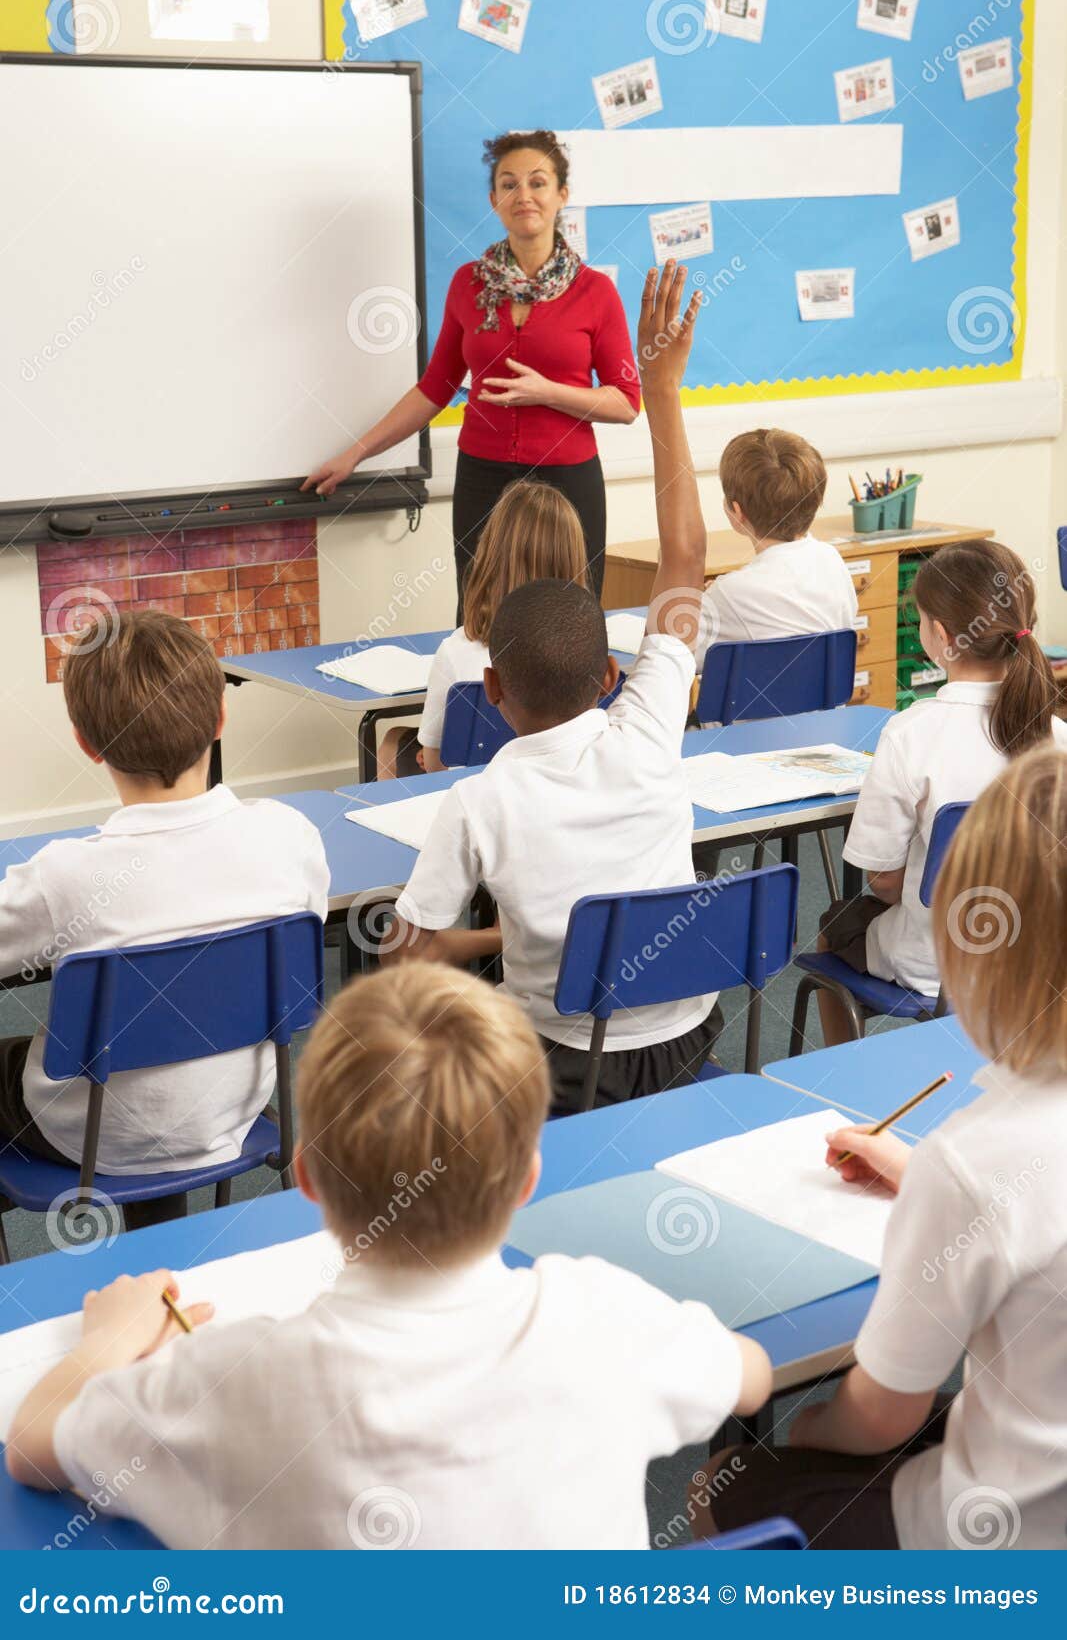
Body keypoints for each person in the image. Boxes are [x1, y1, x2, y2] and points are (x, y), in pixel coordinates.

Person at [6, 963, 772, 1549]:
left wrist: (108, 1340)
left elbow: (36, 1451)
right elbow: (752, 1376)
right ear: (527, 1179)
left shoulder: (230, 1379)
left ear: (304, 1173)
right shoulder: (604, 1315)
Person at [692, 747, 1067, 1550]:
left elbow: (878, 1416)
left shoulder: (979, 1156)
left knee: (720, 1486)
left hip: (1000, 1538)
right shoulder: (973, 1164)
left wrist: (801, 1437)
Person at [386, 263, 724, 1112]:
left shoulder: (478, 800)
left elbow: (407, 957)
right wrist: (661, 391)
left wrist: (486, 942)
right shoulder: (646, 723)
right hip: (691, 1034)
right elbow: (685, 560)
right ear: (610, 676)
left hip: (562, 1064)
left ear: (491, 686)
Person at [0, 611, 328, 1230]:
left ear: (86, 743)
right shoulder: (292, 838)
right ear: (221, 720)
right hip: (236, 1108)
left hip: (94, 1140)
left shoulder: (63, 876)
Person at [302, 130, 639, 608]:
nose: (523, 195)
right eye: (509, 184)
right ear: (493, 200)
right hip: (483, 477)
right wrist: (355, 455)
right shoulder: (467, 284)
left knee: (571, 615)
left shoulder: (595, 292)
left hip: (567, 482)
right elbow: (434, 388)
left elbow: (626, 402)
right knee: (478, 617)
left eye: (538, 182)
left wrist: (549, 392)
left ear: (562, 195)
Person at [816, 539, 1066, 1042]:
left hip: (936, 964)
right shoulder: (1058, 737)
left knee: (831, 929)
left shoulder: (911, 732)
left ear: (938, 635)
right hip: (1040, 960)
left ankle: (842, 1075)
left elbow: (882, 879)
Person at [377, 479, 589, 779]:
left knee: (391, 742)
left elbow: (437, 766)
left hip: (479, 803)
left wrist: (429, 756)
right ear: (575, 562)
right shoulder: (588, 651)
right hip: (562, 795)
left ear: (490, 556)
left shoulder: (455, 652)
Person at [697, 427, 856, 658]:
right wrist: (719, 598)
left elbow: (676, 653)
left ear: (737, 512)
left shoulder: (730, 593)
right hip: (824, 696)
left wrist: (713, 600)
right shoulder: (832, 560)